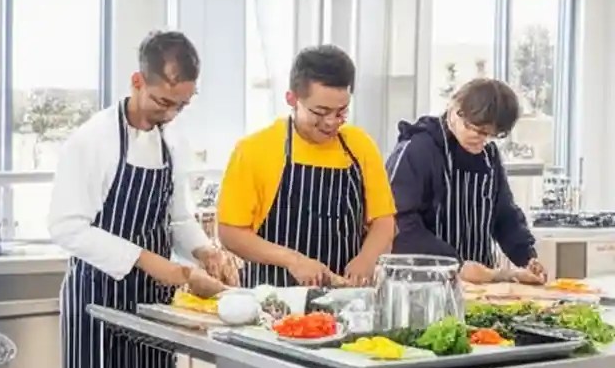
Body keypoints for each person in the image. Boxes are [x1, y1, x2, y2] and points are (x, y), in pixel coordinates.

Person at [48, 30, 234, 368]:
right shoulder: (91, 140)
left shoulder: (170, 141)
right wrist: (157, 265)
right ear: (137, 81)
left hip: (153, 310)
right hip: (96, 306)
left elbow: (175, 219)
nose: (170, 113)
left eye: (181, 104)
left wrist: (205, 252)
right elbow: (66, 227)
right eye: (162, 101)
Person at [217, 44, 396, 287]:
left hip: (347, 298)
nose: (331, 122)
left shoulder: (360, 145)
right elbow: (231, 233)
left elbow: (384, 221)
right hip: (273, 301)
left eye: (341, 112)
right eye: (320, 112)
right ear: (292, 99)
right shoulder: (254, 150)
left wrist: (366, 259)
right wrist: (293, 260)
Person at [386, 78, 545, 284]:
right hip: (423, 284)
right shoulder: (417, 150)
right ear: (455, 108)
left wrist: (527, 257)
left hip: (481, 286)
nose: (482, 140)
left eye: (490, 135)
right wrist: (455, 264)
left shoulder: (489, 156)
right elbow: (399, 223)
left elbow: (504, 215)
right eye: (476, 130)